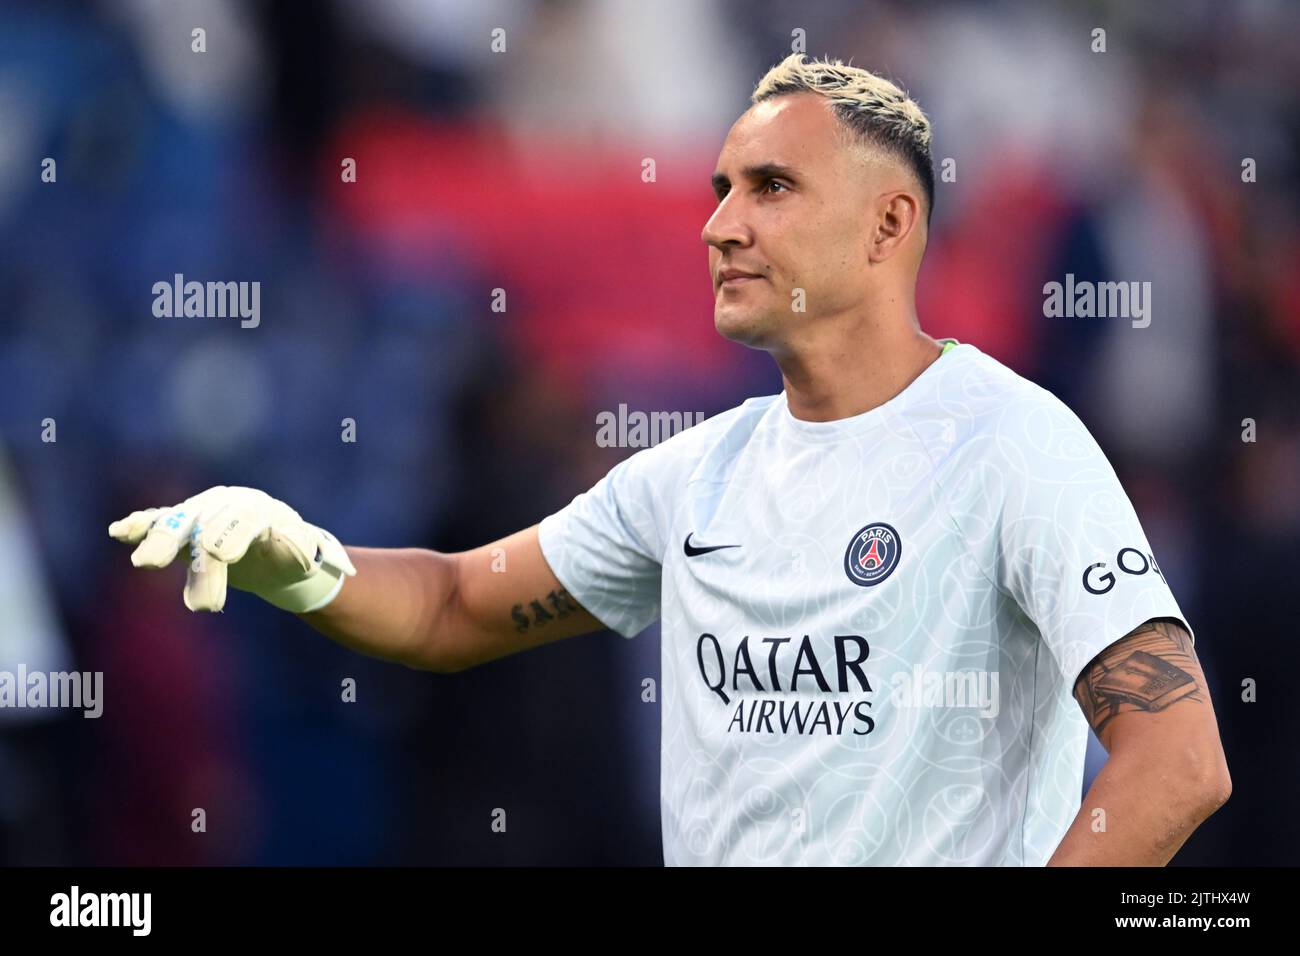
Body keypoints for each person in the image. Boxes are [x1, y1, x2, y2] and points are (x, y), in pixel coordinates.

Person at [110, 54, 1230, 866]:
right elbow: (453, 602)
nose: (720, 225)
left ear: (891, 226)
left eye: (772, 189)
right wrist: (293, 556)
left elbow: (1175, 762)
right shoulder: (693, 472)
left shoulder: (1012, 443)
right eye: (720, 190)